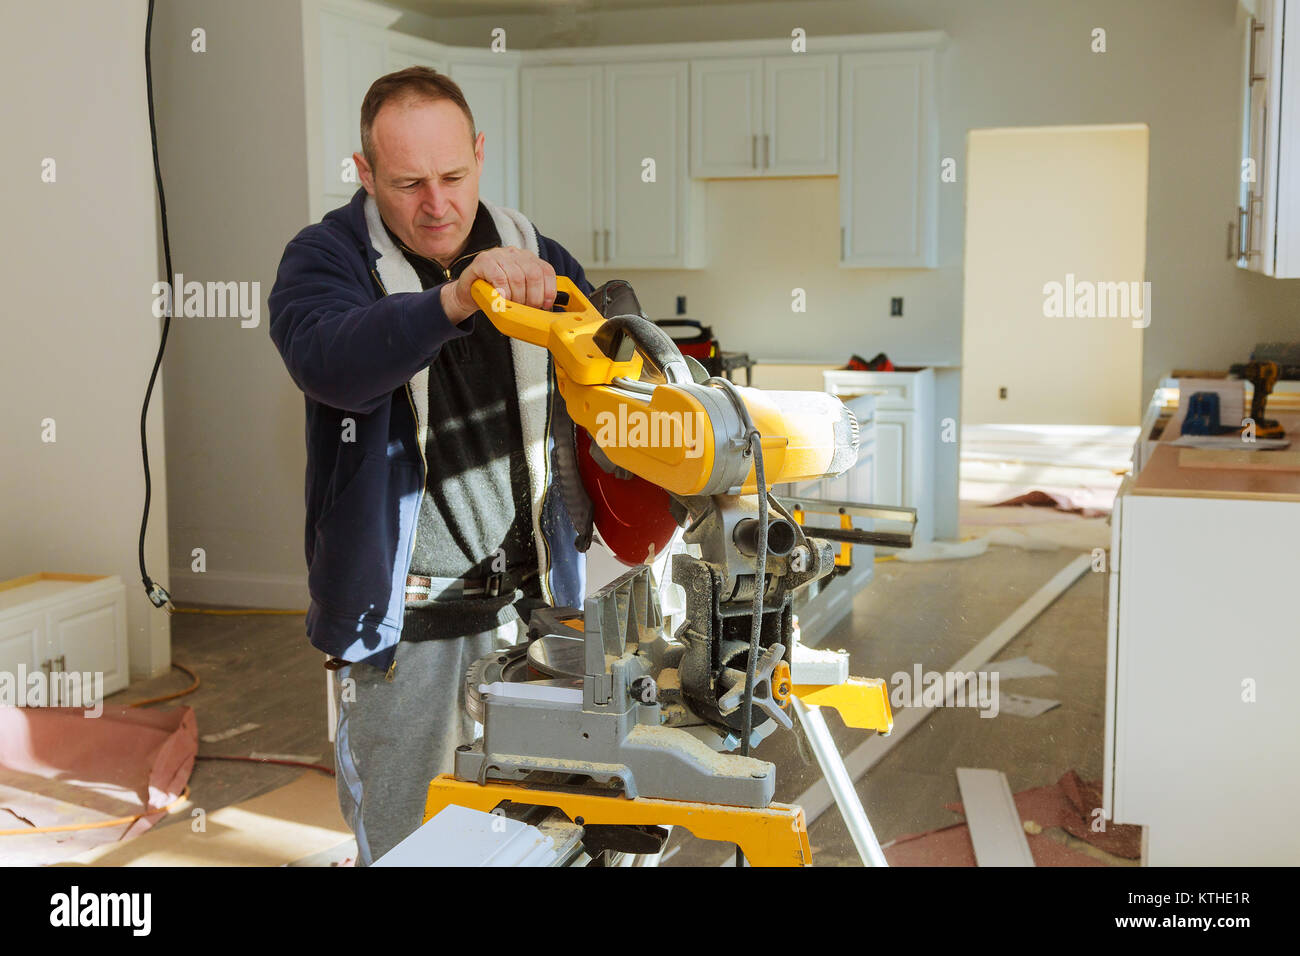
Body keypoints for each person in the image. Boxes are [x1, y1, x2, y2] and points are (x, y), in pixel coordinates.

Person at [268, 67, 592, 865]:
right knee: (416, 846)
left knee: (533, 835)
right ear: (365, 172)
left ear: (480, 154)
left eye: (452, 175)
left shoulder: (532, 251)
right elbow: (331, 363)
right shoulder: (326, 258)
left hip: (530, 608)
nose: (437, 204)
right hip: (405, 631)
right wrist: (453, 300)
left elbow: (607, 373)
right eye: (408, 183)